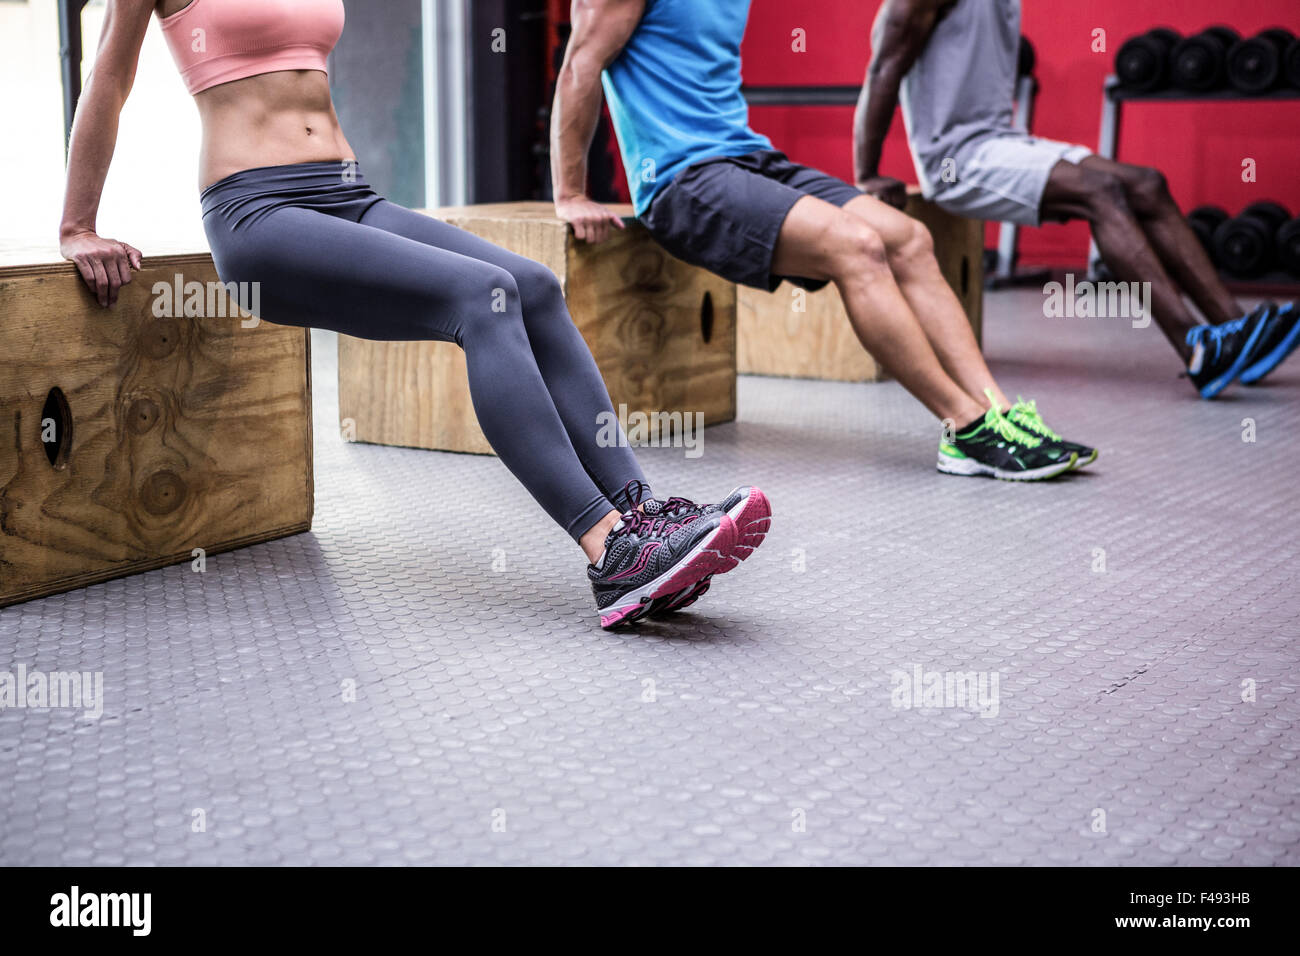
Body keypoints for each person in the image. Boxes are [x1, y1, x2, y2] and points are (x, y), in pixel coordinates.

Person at [57, 0, 770, 628]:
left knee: (532, 286)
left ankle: (639, 513)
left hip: (347, 195)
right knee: (482, 297)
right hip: (258, 215)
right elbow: (109, 81)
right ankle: (610, 548)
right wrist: (77, 226)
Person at [552, 0, 1095, 482]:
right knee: (857, 246)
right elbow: (581, 62)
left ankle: (997, 410)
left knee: (909, 238)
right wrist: (570, 193)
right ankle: (967, 427)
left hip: (746, 156)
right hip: (682, 181)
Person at [854, 0, 1300, 399]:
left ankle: (1235, 331)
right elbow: (883, 66)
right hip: (956, 159)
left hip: (1001, 141)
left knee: (1147, 183)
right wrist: (867, 173)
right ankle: (1196, 349)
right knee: (1100, 192)